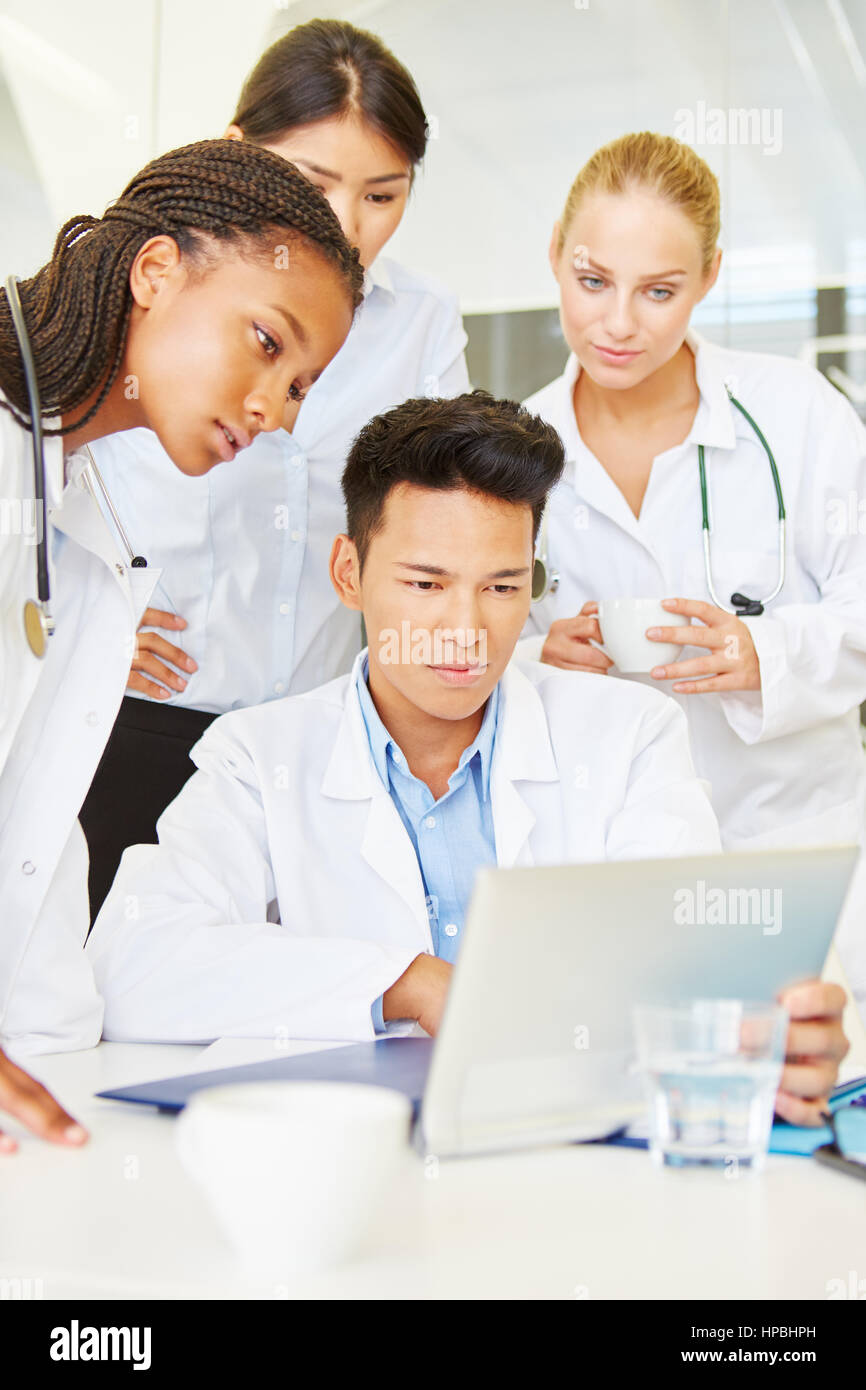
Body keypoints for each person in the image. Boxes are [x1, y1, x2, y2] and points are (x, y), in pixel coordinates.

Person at [87, 393, 848, 1125]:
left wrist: (766, 1036)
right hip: (359, 1177)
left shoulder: (629, 736)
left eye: (502, 587)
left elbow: (693, 972)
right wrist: (406, 983)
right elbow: (130, 966)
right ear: (348, 572)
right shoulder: (260, 756)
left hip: (578, 1173)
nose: (464, 627)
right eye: (425, 583)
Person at [0, 136, 362, 1146]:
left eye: (299, 384)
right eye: (264, 339)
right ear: (156, 271)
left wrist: (57, 1039)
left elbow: (30, 829)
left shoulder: (82, 520)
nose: (273, 409)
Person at [79, 19, 470, 920]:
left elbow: (436, 515)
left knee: (296, 1007)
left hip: (310, 735)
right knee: (103, 1002)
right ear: (235, 152)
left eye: (383, 194)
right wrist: (75, 629)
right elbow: (54, 483)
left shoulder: (418, 320)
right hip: (139, 726)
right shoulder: (159, 289)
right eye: (315, 181)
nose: (346, 223)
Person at [521, 132, 866, 854]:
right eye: (592, 282)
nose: (618, 324)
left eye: (659, 291)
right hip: (610, 846)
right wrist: (538, 661)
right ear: (556, 252)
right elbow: (475, 650)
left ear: (709, 276)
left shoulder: (798, 414)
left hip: (796, 839)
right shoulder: (512, 448)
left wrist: (765, 652)